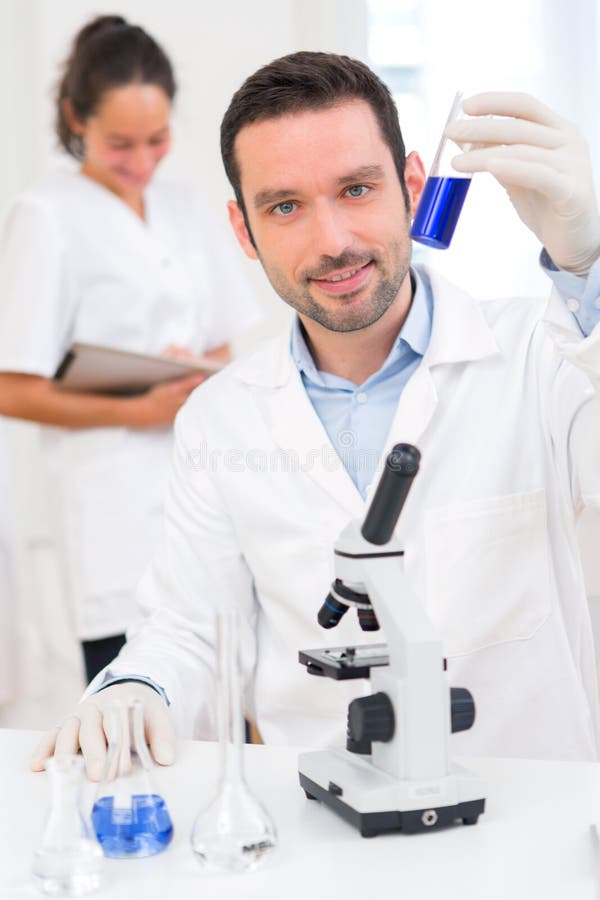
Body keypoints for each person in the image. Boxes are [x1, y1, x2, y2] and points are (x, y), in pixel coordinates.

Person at [32, 52, 600, 779]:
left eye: (357, 188)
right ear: (244, 230)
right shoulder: (217, 419)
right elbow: (189, 628)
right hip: (322, 834)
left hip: (531, 829)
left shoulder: (541, 354)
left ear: (414, 189)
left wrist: (588, 268)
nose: (330, 241)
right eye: (286, 206)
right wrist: (135, 688)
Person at [0, 16, 259, 684]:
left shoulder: (186, 206)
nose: (142, 162)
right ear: (74, 119)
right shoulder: (47, 214)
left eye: (157, 139)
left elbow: (226, 346)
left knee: (231, 696)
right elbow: (11, 387)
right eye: (121, 143)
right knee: (134, 707)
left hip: (207, 494)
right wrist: (138, 409)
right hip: (112, 513)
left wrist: (194, 373)